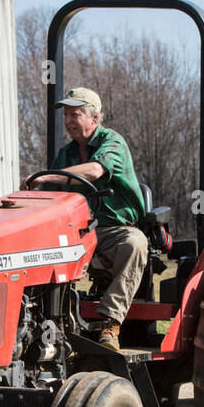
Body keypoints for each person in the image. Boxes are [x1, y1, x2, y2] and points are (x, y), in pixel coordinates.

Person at [31, 87, 148, 349]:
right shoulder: (66, 154)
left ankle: (110, 325)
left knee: (135, 244)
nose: (70, 121)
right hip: (79, 232)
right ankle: (48, 326)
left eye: (76, 114)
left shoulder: (112, 143)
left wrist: (47, 175)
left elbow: (95, 170)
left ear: (95, 118)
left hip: (113, 230)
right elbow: (49, 197)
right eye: (67, 115)